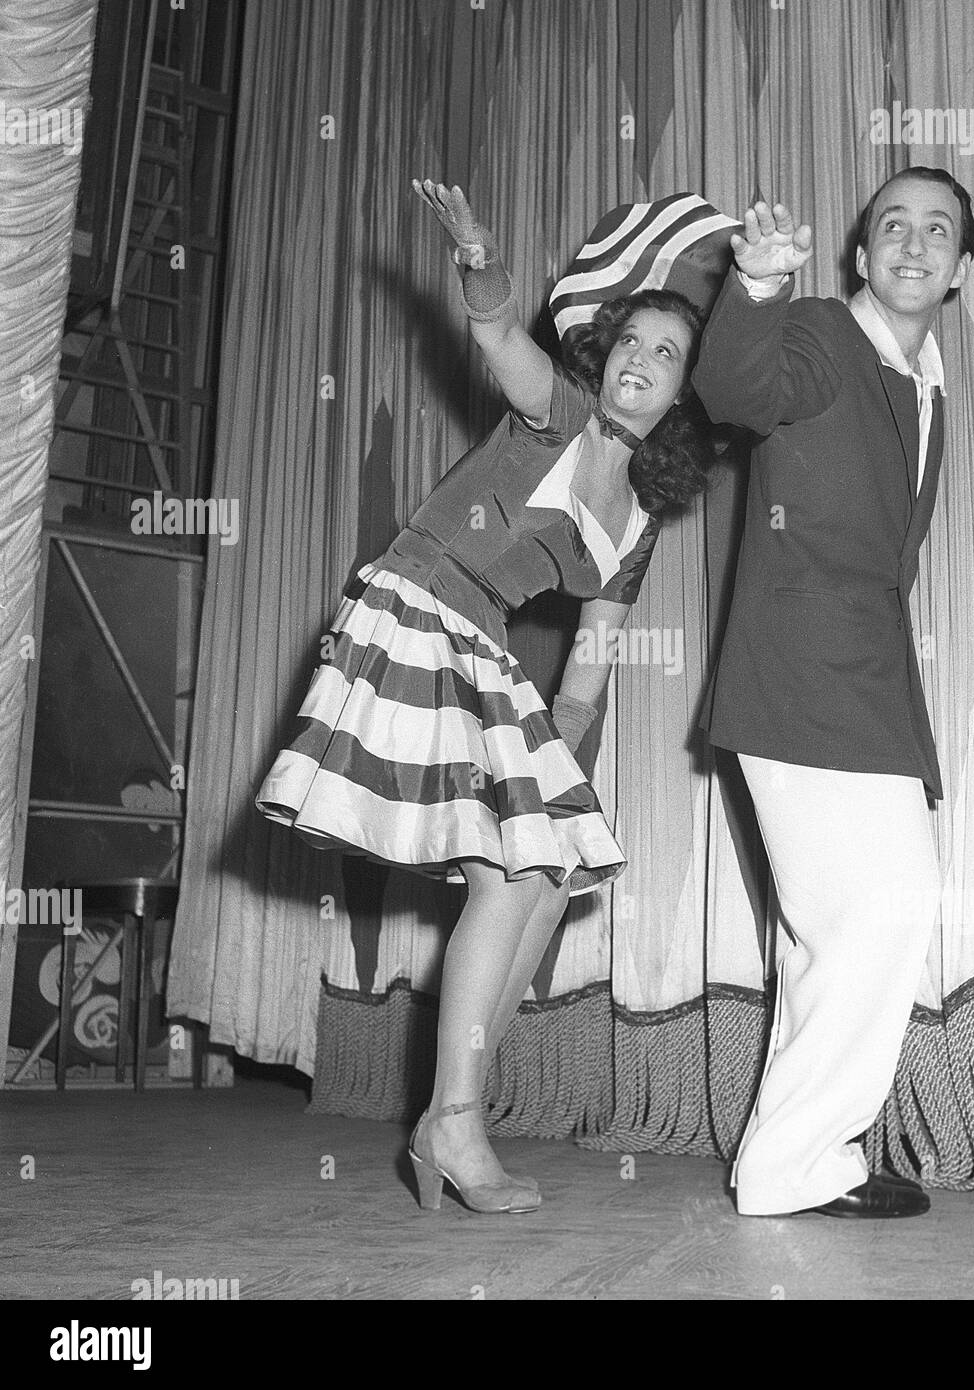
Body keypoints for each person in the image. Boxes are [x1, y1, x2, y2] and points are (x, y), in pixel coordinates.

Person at [257, 181, 715, 1214]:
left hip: (484, 648)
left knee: (545, 882)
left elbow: (588, 675)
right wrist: (478, 256)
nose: (640, 361)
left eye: (666, 355)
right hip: (418, 604)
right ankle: (455, 1122)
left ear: (682, 394)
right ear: (607, 358)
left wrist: (555, 790)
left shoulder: (637, 525)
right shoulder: (553, 409)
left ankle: (447, 1116)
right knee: (508, 878)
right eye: (631, 343)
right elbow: (499, 329)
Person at [692, 167, 974, 1219]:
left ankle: (797, 1158)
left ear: (958, 268)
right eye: (892, 226)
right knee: (885, 904)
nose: (912, 243)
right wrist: (756, 286)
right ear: (860, 255)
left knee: (841, 922)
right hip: (800, 673)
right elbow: (738, 389)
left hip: (862, 681)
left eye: (936, 229)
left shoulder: (925, 382)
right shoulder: (820, 334)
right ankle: (797, 1161)